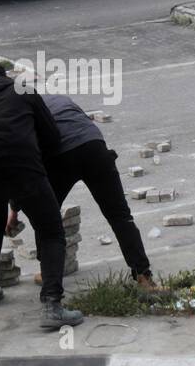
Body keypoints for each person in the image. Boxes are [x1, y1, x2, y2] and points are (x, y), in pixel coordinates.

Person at [0, 63, 83, 329]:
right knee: (50, 231)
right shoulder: (22, 90)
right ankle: (52, 305)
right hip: (25, 168)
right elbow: (51, 136)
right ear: (5, 75)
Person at [14, 93, 158, 292]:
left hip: (60, 156)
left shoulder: (23, 111)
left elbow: (27, 155)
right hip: (94, 148)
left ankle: (48, 274)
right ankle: (143, 275)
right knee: (120, 215)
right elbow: (84, 122)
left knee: (46, 218)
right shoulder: (61, 98)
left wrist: (14, 209)